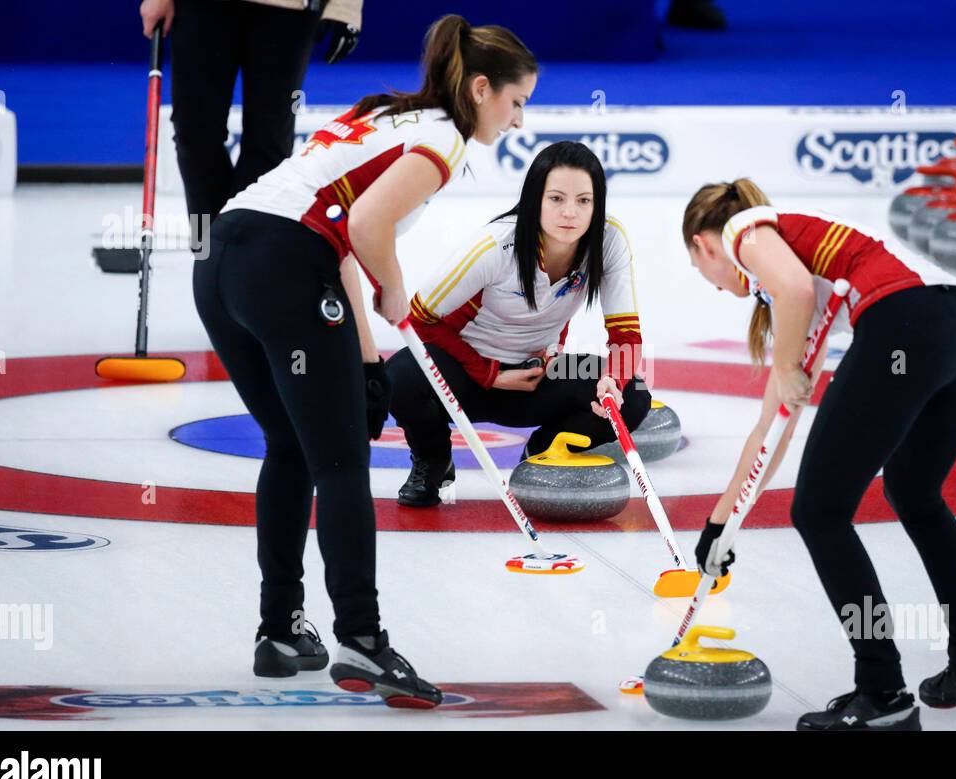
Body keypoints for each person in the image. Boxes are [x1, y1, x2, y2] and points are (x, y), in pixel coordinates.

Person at [191, 14, 537, 708]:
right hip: (284, 267)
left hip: (223, 260)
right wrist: (397, 289)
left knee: (290, 443)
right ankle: (363, 638)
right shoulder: (444, 139)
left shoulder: (387, 113)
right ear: (478, 89)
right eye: (517, 101)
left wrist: (369, 357)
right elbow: (364, 228)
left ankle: (281, 628)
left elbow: (335, 235)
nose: (520, 120)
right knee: (342, 458)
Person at [681, 178, 956, 731]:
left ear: (703, 244)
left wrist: (787, 367)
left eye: (702, 272)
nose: (716, 286)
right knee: (914, 492)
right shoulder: (806, 282)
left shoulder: (745, 228)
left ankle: (882, 692)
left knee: (819, 512)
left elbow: (791, 290)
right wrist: (722, 522)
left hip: (905, 325)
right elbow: (774, 426)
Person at [386, 141, 650, 506]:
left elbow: (625, 333)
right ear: (534, 200)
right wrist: (489, 373)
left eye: (583, 201)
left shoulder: (609, 240)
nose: (570, 213)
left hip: (539, 376)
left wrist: (614, 381)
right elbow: (418, 320)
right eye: (556, 198)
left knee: (634, 394)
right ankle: (433, 460)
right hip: (467, 377)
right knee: (400, 375)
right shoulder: (495, 245)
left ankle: (542, 453)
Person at [139, 0, 364, 250]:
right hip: (201, 9)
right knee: (193, 133)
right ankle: (207, 249)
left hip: (289, 11)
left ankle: (244, 256)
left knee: (270, 139)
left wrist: (345, 8)